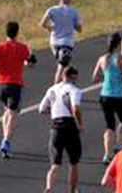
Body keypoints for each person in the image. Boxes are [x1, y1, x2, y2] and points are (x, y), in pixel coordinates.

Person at [0, 21, 36, 159]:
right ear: (17, 32)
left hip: (0, 84)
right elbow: (31, 63)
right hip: (15, 84)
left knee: (7, 111)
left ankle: (5, 139)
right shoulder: (23, 47)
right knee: (13, 114)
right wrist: (26, 62)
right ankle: (6, 141)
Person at [38, 65, 84, 193]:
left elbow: (41, 109)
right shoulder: (74, 90)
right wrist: (80, 124)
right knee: (74, 163)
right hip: (70, 127)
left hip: (55, 128)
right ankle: (72, 190)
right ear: (73, 77)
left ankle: (49, 187)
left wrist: (53, 110)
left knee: (55, 164)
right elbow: (75, 108)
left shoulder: (52, 89)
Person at [91, 33, 122, 164]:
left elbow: (95, 78)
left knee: (109, 126)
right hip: (120, 95)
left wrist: (106, 77)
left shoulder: (102, 59)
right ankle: (119, 144)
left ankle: (106, 155)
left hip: (105, 95)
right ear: (119, 44)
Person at [39, 0, 83, 84]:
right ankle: (56, 87)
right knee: (61, 66)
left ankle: (63, 86)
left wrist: (50, 29)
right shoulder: (73, 11)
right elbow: (79, 29)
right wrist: (73, 25)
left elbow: (42, 23)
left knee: (63, 65)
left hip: (54, 42)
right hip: (67, 42)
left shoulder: (52, 10)